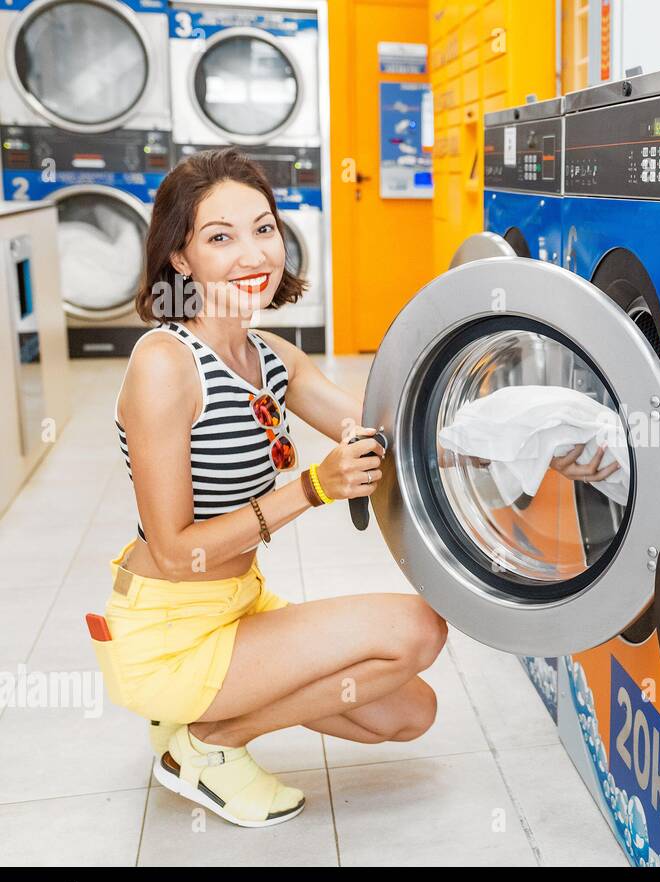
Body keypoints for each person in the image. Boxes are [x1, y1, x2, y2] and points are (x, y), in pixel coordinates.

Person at [100, 147, 446, 828]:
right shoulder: (165, 364)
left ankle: (194, 726)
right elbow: (173, 551)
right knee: (415, 629)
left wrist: (526, 449)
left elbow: (386, 432)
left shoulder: (271, 358)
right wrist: (313, 487)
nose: (254, 253)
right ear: (179, 257)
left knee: (410, 714)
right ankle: (210, 744)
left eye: (263, 228)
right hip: (169, 630)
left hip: (237, 605)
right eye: (219, 237)